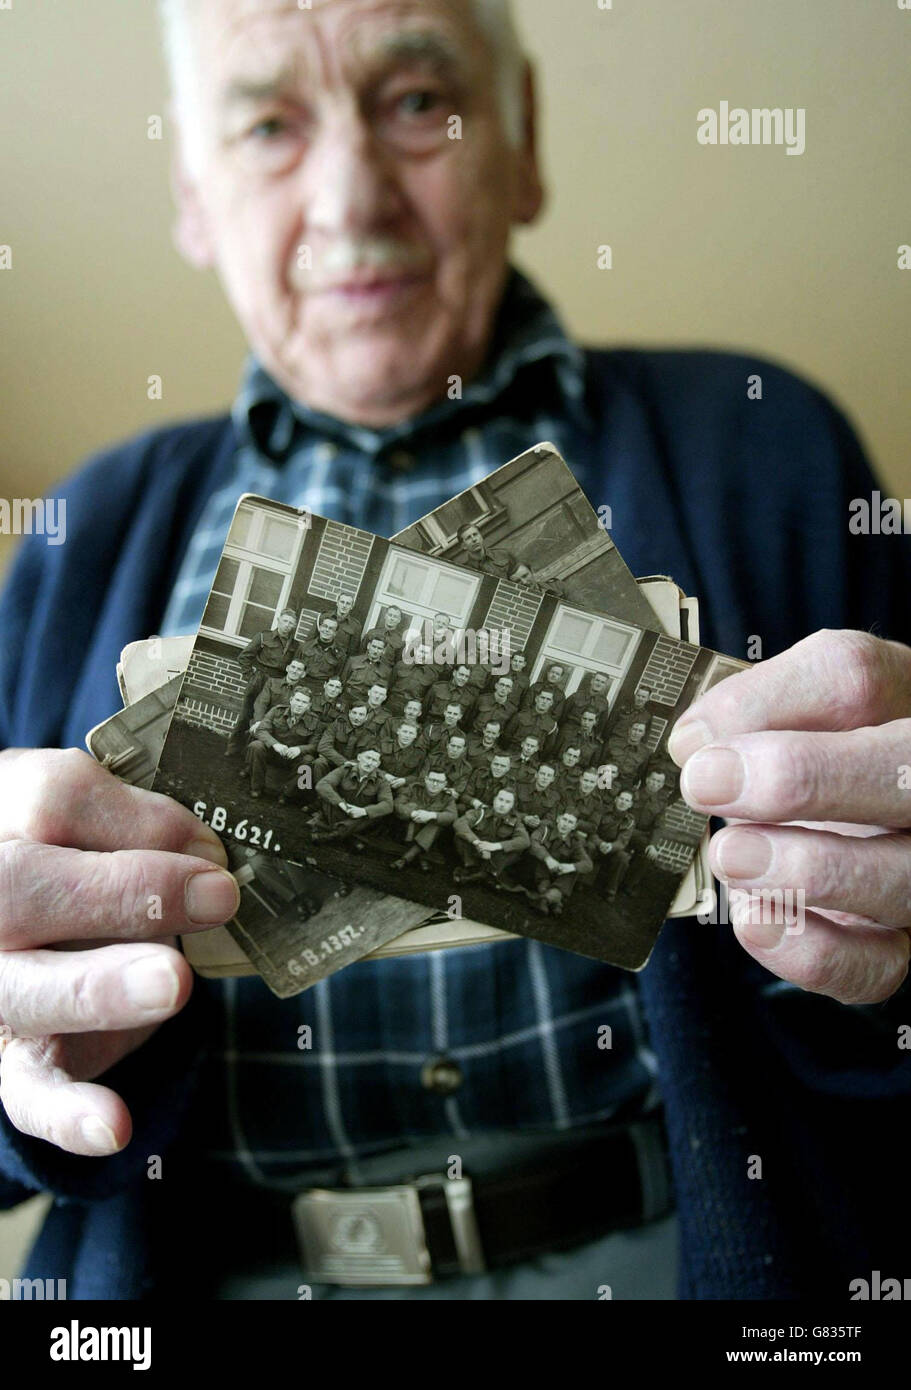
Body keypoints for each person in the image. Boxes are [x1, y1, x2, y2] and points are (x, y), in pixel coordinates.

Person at [1, 0, 910, 1305]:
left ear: (523, 141)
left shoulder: (770, 448)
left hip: (700, 1262)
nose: (351, 197)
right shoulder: (82, 531)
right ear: (192, 195)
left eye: (417, 101)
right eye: (268, 124)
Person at [224, 608, 299, 754]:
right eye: (285, 621)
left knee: (268, 719)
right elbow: (244, 657)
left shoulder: (295, 646)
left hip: (278, 683)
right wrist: (250, 677)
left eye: (291, 623)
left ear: (294, 626)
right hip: (259, 679)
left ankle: (251, 752)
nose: (287, 625)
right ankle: (233, 748)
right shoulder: (264, 637)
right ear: (278, 620)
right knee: (246, 715)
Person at [244, 686, 321, 801]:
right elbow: (261, 730)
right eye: (297, 700)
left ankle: (287, 794)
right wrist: (275, 744)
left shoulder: (315, 721)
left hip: (293, 758)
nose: (299, 705)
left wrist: (299, 749)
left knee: (308, 760)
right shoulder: (277, 711)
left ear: (309, 706)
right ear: (291, 700)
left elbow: (315, 745)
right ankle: (256, 787)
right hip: (273, 752)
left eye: (304, 702)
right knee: (256, 746)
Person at [312, 747, 394, 841]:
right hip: (338, 810)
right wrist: (341, 804)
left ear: (378, 764)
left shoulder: (382, 781)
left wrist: (363, 811)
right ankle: (348, 836)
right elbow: (322, 785)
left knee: (375, 814)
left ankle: (331, 835)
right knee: (327, 796)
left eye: (374, 760)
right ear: (359, 757)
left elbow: (388, 804)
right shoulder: (345, 770)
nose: (370, 763)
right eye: (367, 758)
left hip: (358, 818)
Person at [392, 769, 458, 871]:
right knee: (412, 806)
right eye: (432, 780)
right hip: (405, 830)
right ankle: (421, 856)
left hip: (429, 832)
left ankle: (405, 859)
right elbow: (397, 804)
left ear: (445, 784)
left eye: (439, 782)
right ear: (426, 779)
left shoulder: (447, 797)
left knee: (436, 824)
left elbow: (452, 816)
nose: (435, 784)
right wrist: (412, 813)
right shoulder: (414, 788)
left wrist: (432, 815)